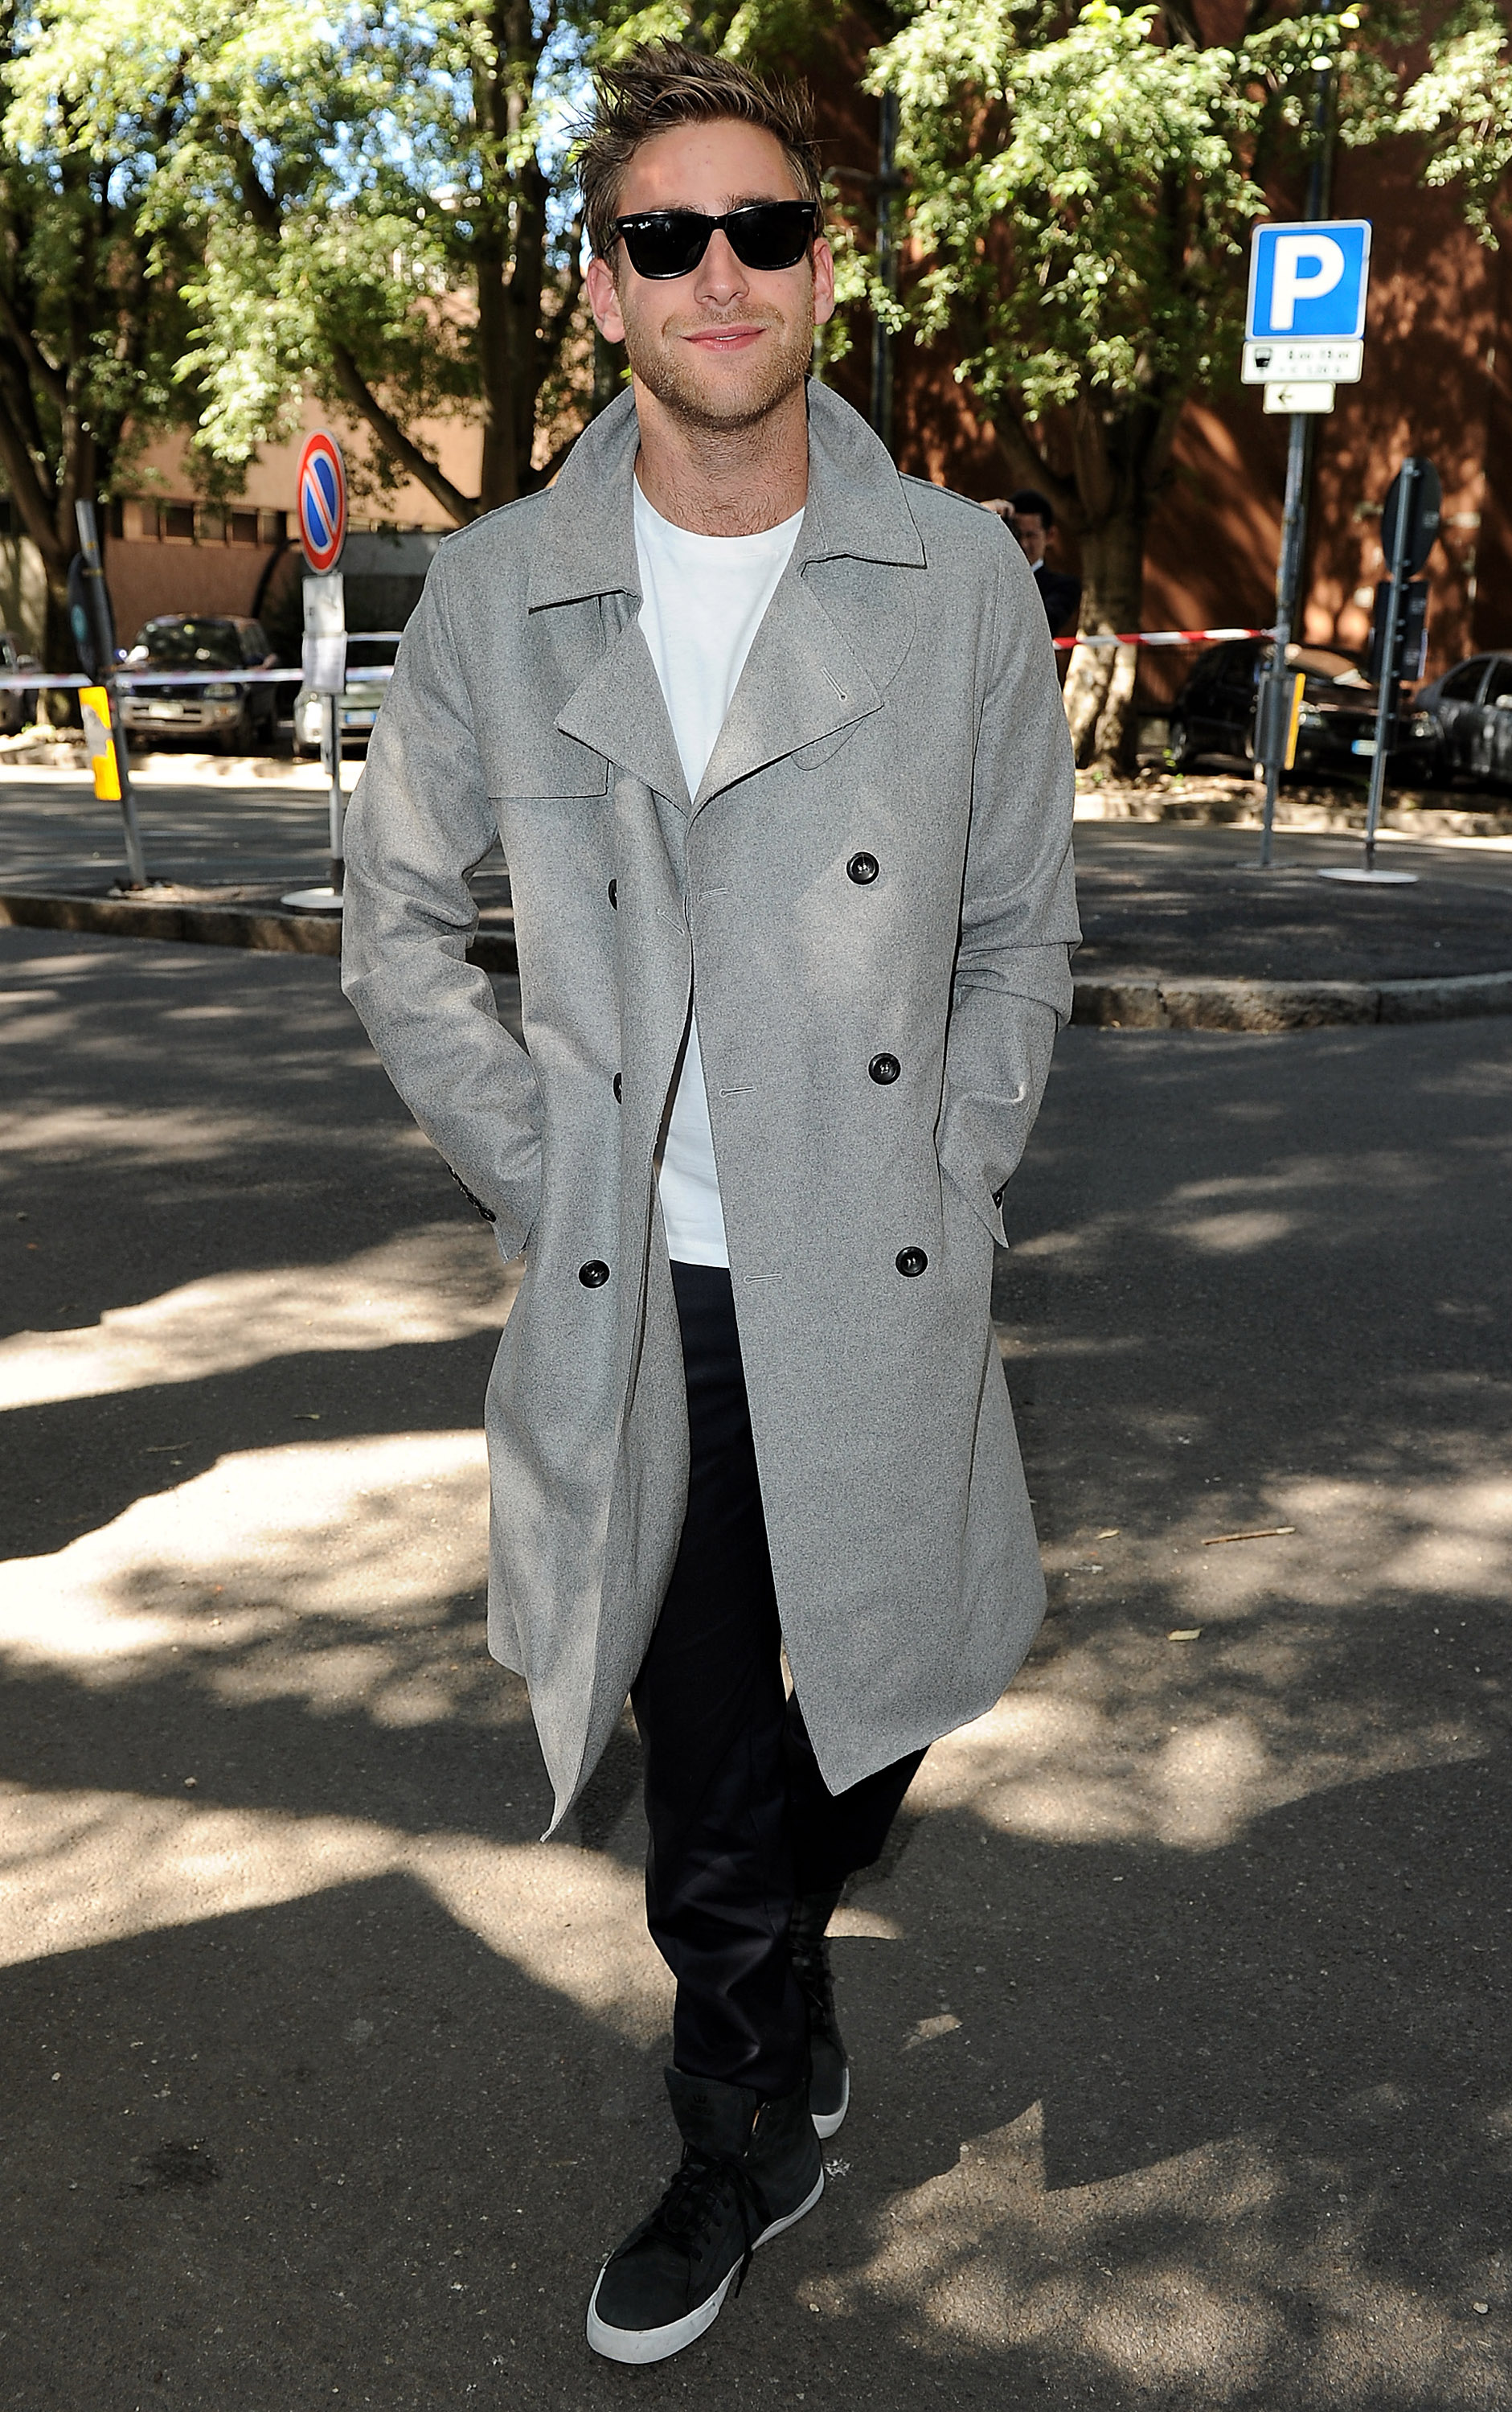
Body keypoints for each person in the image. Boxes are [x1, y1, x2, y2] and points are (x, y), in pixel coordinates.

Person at [340, 39, 1078, 2370]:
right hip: (639, 1296)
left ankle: (790, 1942)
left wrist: (948, 1172)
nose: (721, 272)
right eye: (670, 236)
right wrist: (546, 1156)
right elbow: (391, 928)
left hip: (872, 1266)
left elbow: (1017, 939)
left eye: (764, 229)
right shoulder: (504, 587)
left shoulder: (957, 577)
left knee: (866, 1736)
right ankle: (738, 2115)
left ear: (822, 271)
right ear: (604, 289)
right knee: (714, 1770)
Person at [1002, 487, 1081, 638]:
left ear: (1050, 535)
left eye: (1031, 535)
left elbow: (1044, 624)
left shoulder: (1063, 586)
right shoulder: (988, 578)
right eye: (1016, 534)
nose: (1023, 544)